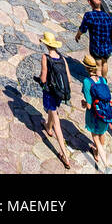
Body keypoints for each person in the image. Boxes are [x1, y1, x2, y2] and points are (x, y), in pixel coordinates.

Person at [36, 32, 72, 170]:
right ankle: (48, 127)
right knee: (53, 111)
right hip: (60, 94)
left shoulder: (45, 58)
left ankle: (65, 155)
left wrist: (40, 80)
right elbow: (68, 79)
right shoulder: (62, 59)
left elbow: (44, 78)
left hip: (50, 93)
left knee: (56, 120)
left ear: (45, 43)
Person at [81, 53, 112, 169]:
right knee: (102, 134)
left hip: (94, 115)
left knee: (96, 138)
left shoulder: (87, 82)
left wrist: (84, 103)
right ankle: (96, 154)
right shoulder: (103, 80)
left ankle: (105, 165)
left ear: (86, 67)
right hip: (105, 113)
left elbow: (89, 106)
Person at [75, 0, 112, 76]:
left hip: (96, 47)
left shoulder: (89, 16)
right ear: (100, 2)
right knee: (105, 63)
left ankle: (98, 84)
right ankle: (104, 81)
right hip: (107, 47)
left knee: (98, 65)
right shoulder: (108, 16)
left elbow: (83, 29)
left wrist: (78, 35)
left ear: (89, 3)